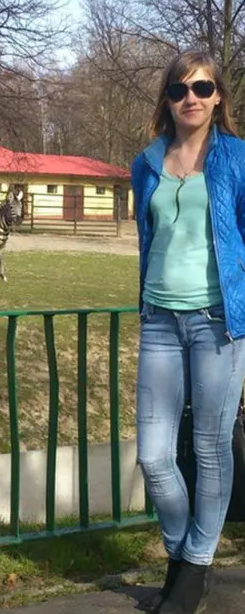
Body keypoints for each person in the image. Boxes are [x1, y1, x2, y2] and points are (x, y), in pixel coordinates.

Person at [131, 49, 245, 614]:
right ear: (168, 100)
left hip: (217, 322)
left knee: (209, 448)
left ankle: (193, 569)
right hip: (159, 321)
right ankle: (184, 557)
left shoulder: (238, 159)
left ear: (218, 96)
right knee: (154, 455)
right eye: (179, 90)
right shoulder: (146, 162)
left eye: (201, 88)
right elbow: (147, 237)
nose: (190, 98)